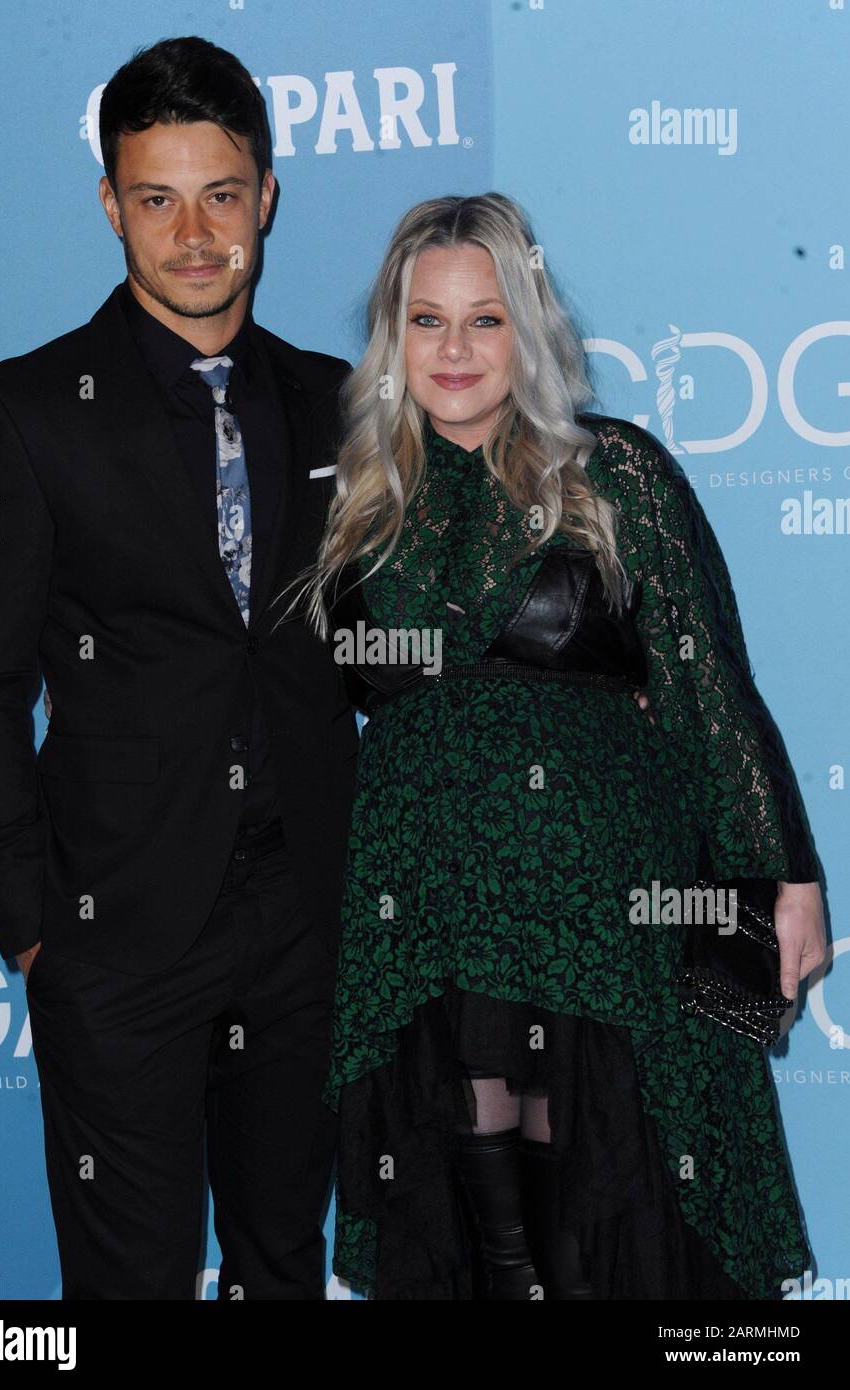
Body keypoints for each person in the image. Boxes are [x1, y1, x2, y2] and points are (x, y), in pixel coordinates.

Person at [304, 193, 826, 1300]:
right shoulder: (354, 500)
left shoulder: (614, 472)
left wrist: (785, 874)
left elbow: (706, 690)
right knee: (473, 1204)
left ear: (527, 330)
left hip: (597, 894)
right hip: (426, 905)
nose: (454, 350)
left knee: (603, 1198)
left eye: (485, 319)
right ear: (391, 339)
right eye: (426, 320)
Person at [0, 36, 357, 1300]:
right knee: (130, 1282)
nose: (193, 232)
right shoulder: (18, 412)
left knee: (284, 1261)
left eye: (221, 193)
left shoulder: (341, 401)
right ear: (111, 205)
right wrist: (28, 928)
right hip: (112, 935)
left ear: (267, 195)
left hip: (304, 923)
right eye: (156, 198)